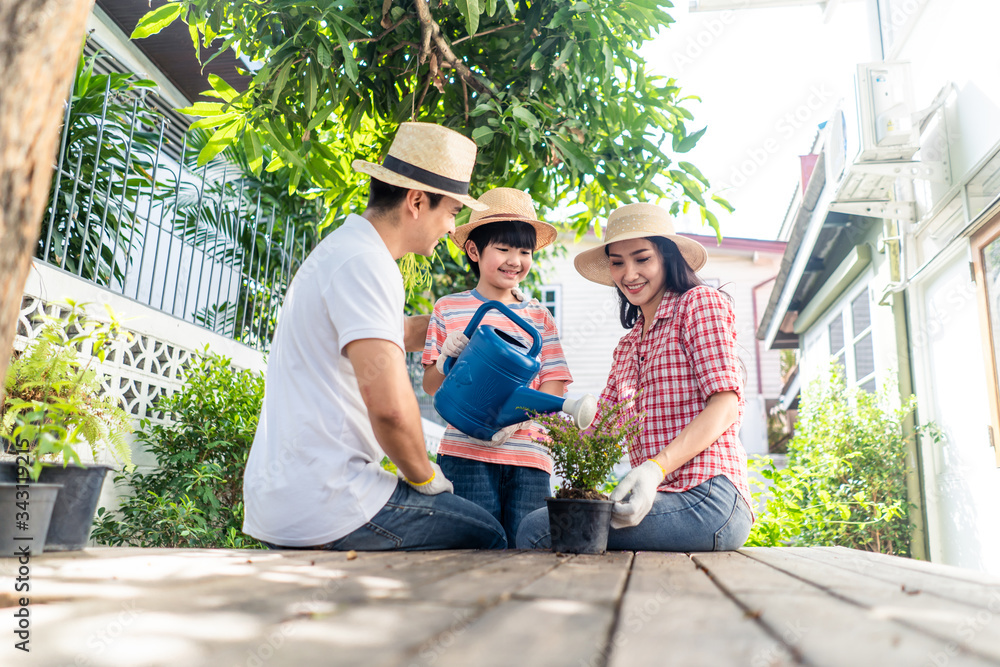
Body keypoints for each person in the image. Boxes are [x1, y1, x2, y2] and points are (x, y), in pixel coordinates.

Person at [242, 122, 507, 551]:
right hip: (329, 500)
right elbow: (391, 411)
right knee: (490, 536)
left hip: (290, 497)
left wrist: (450, 324)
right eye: (452, 213)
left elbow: (387, 335)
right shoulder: (367, 264)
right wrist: (424, 474)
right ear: (417, 201)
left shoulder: (345, 250)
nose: (450, 229)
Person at [516, 202, 754, 551]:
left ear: (667, 258)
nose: (629, 274)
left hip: (711, 497)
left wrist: (655, 469)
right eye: (618, 262)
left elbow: (726, 405)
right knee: (548, 523)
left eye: (642, 259)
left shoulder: (697, 304)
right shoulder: (628, 346)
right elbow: (599, 429)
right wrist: (524, 419)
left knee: (540, 529)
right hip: (663, 498)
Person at [421, 188, 572, 544]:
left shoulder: (538, 316)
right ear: (474, 250)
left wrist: (515, 420)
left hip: (529, 455)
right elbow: (430, 385)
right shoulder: (448, 308)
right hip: (464, 453)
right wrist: (445, 360)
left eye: (524, 251)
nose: (514, 260)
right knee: (471, 550)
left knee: (530, 547)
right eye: (503, 249)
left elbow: (554, 384)